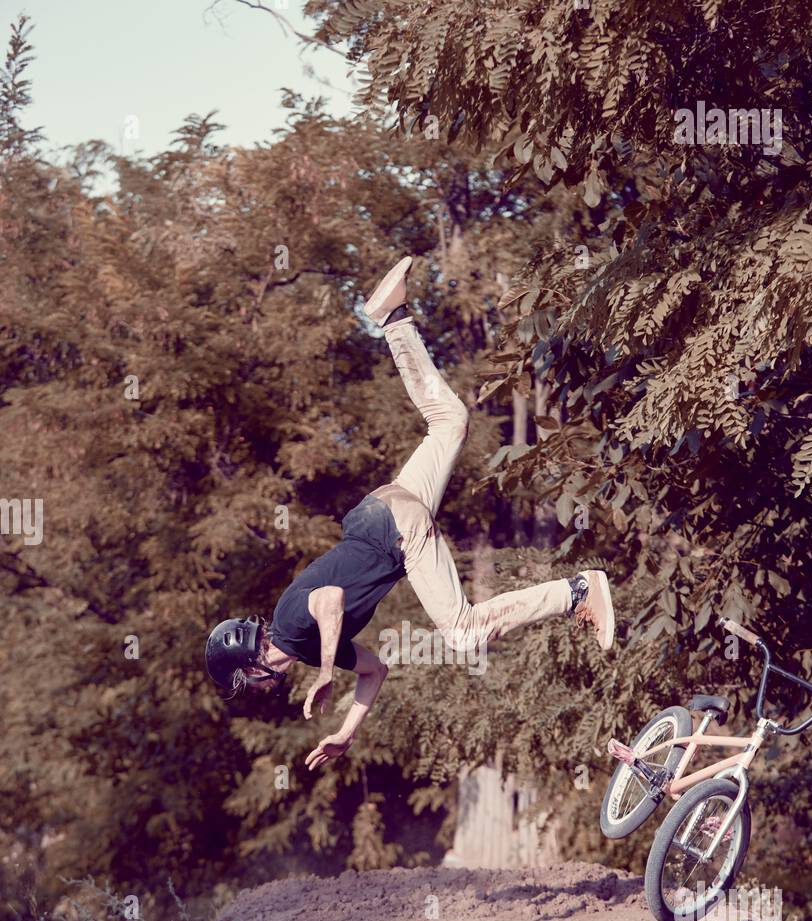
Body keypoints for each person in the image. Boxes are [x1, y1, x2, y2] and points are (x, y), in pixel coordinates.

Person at [205, 256, 616, 772]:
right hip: (383, 509)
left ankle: (578, 591)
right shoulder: (303, 647)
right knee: (450, 421)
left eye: (248, 682)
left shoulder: (290, 624)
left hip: (396, 534)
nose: (259, 692)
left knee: (464, 633)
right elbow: (376, 672)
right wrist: (344, 733)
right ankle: (394, 320)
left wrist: (327, 671)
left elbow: (330, 600)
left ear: (251, 663)